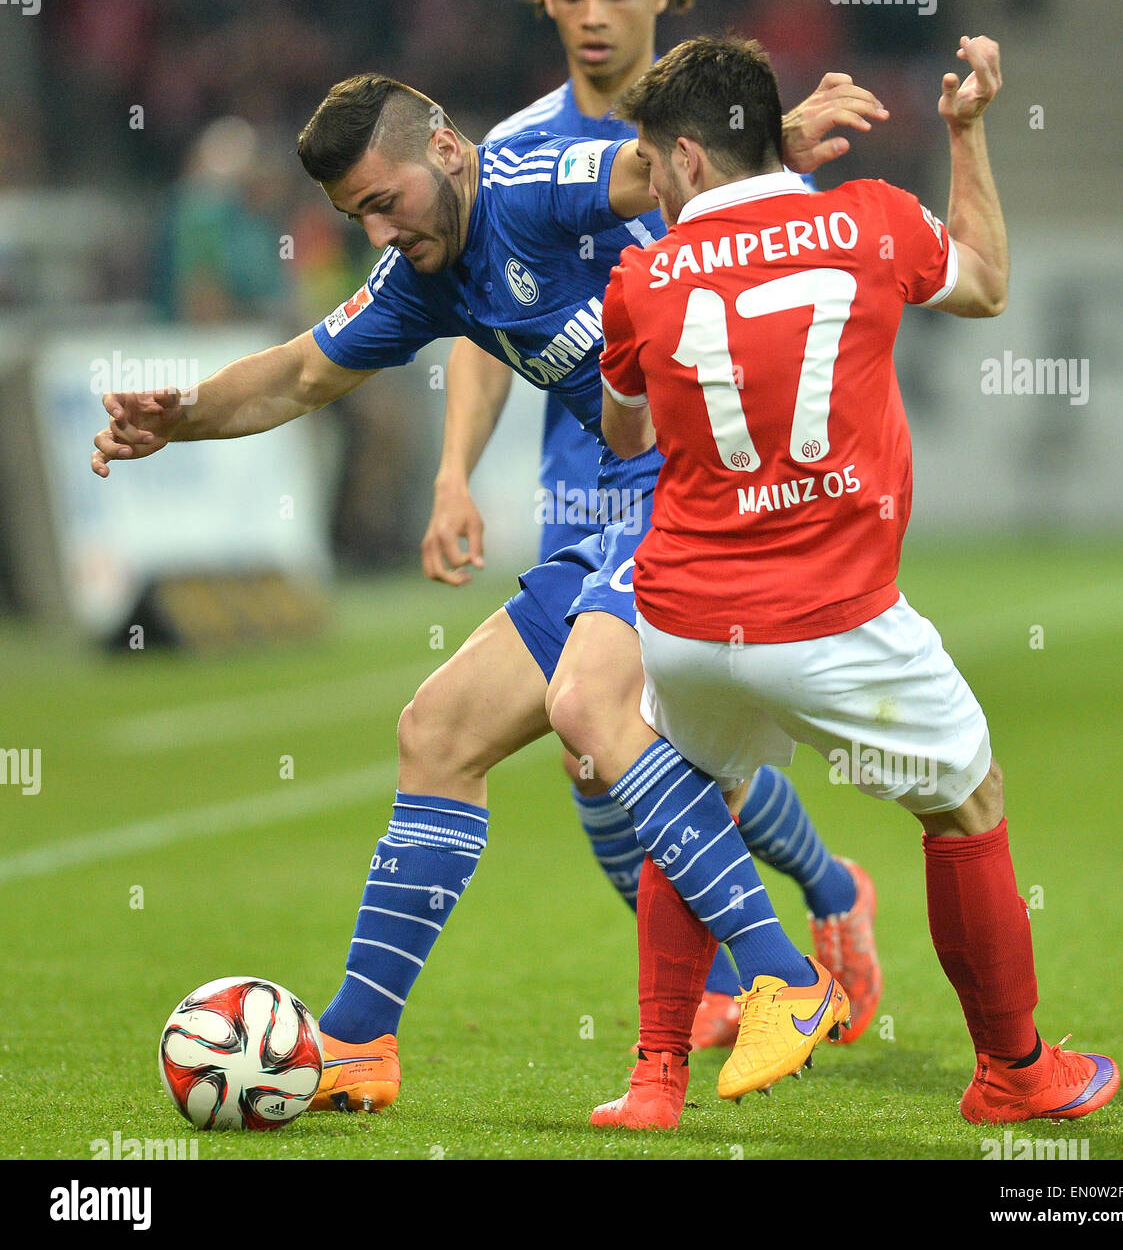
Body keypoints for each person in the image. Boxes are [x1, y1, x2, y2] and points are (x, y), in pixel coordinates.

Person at [90, 66, 885, 1123]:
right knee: (438, 730)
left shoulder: (527, 182)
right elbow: (297, 374)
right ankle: (361, 1041)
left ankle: (781, 969)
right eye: (353, 214)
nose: (377, 228)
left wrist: (766, 133)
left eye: (385, 199)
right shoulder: (423, 273)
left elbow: (650, 167)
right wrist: (176, 415)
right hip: (633, 507)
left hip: (719, 493)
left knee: (595, 717)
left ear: (450, 152)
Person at [597, 32, 1119, 1125]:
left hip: (686, 621)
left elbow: (622, 427)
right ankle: (1015, 1072)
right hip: (834, 617)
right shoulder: (873, 219)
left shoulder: (640, 276)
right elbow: (980, 285)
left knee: (684, 806)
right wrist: (965, 133)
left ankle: (654, 1077)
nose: (642, 181)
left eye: (649, 161)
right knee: (964, 802)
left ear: (688, 159)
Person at [421, 0, 880, 1056]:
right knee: (611, 755)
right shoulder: (514, 154)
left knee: (615, 737)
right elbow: (484, 331)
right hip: (583, 482)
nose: (590, 13)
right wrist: (452, 473)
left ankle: (752, 973)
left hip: (696, 487)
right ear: (540, 1)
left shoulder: (722, 132)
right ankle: (801, 917)